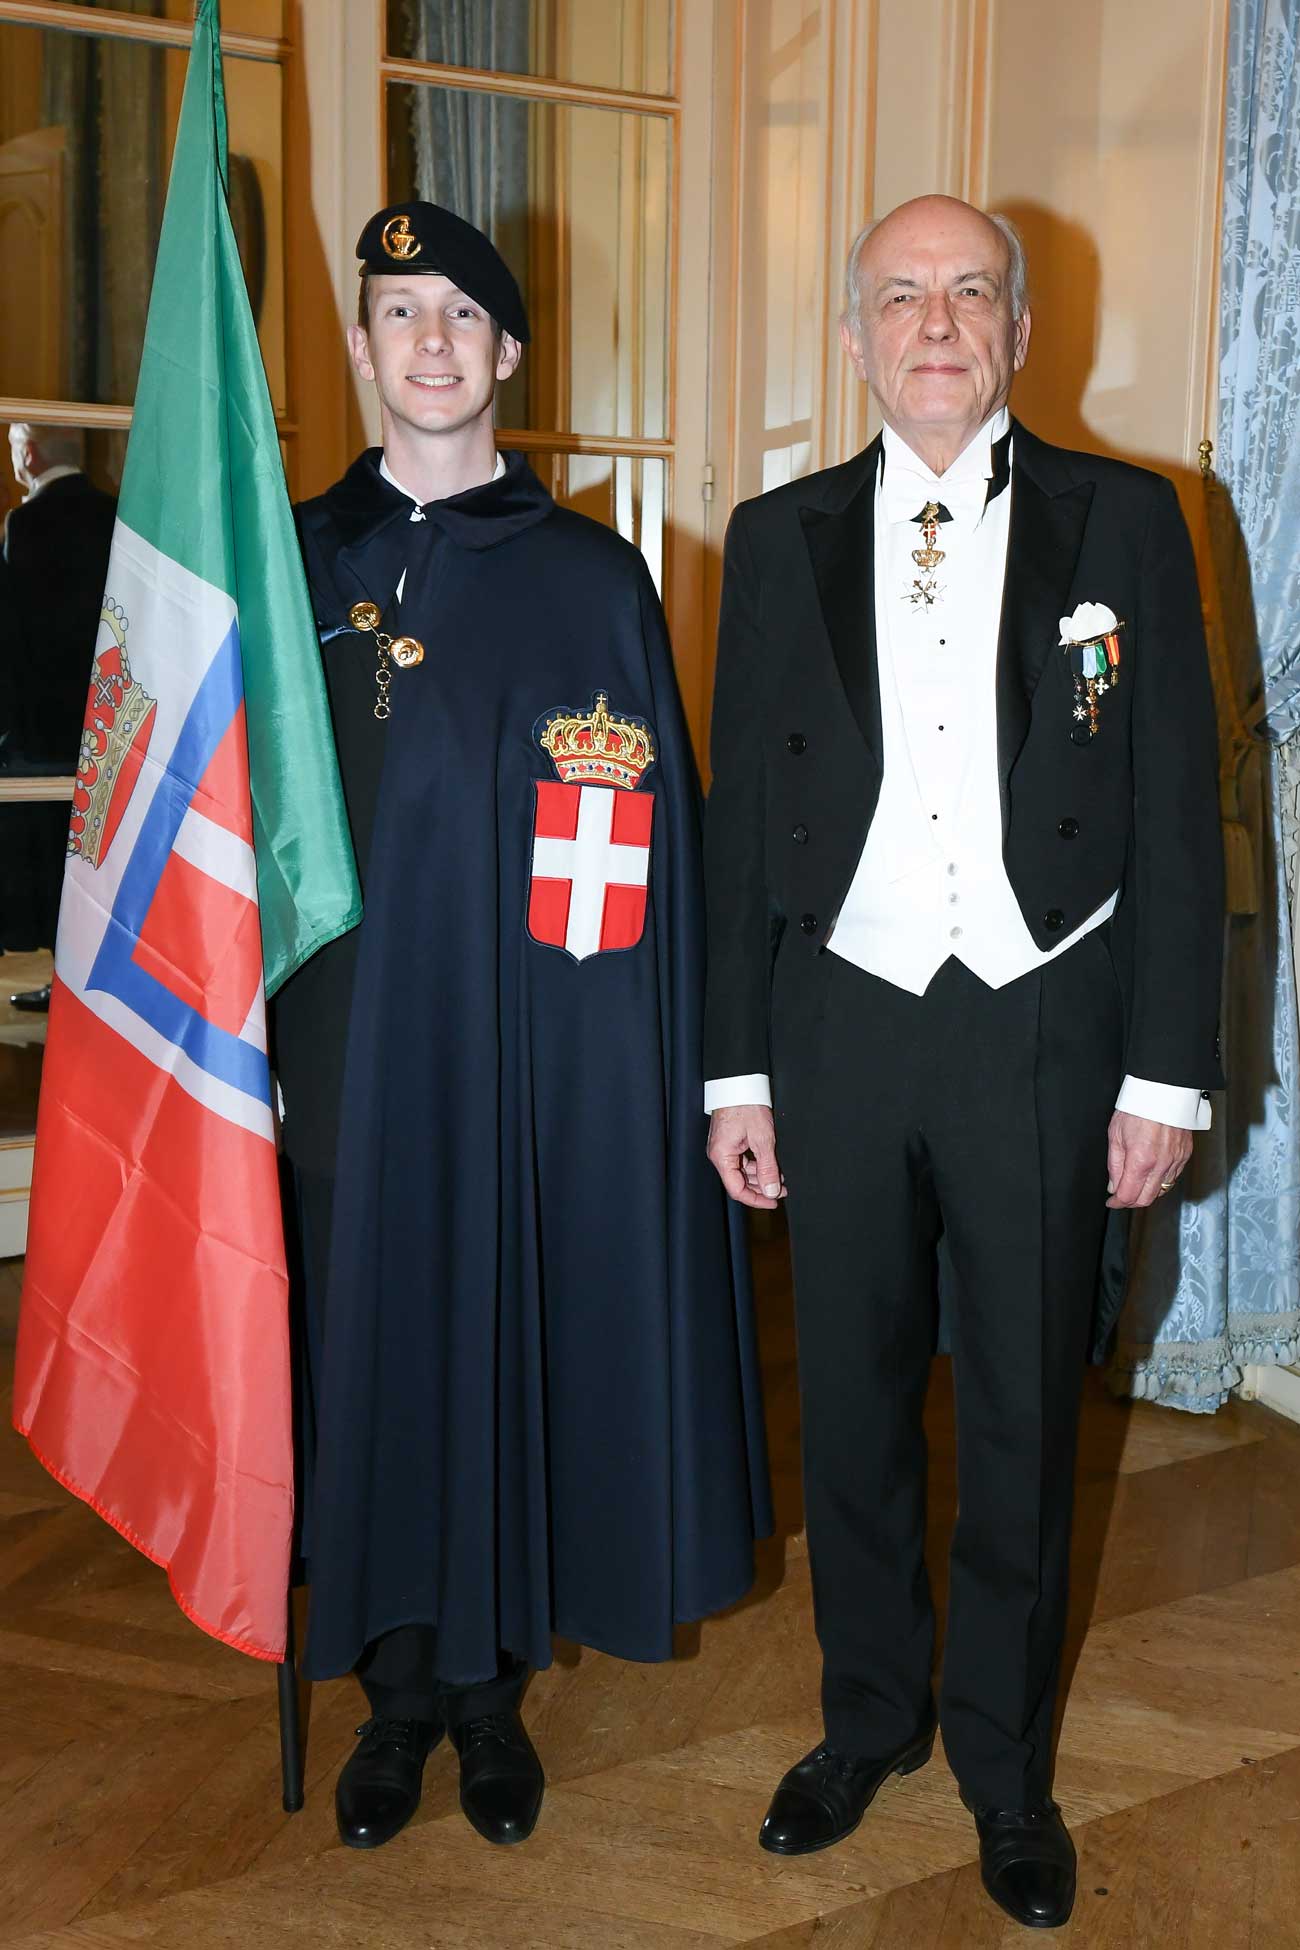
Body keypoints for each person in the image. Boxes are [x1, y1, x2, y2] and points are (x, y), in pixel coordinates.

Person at [702, 195, 1222, 1931]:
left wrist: (1167, 1075)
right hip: (838, 1026)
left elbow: (1180, 817)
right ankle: (867, 1720)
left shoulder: (1129, 523)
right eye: (902, 297)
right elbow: (732, 835)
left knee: (1019, 1413)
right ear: (854, 339)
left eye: (969, 293)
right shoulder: (770, 539)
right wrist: (732, 1072)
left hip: (1041, 1027)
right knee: (845, 1409)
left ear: (1016, 330)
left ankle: (1004, 1765)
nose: (938, 322)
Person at [271, 201, 771, 1855]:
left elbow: (661, 861)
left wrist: (670, 1075)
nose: (430, 344)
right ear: (360, 346)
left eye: (461, 320)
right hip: (342, 1059)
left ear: (506, 357)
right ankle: (389, 1694)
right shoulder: (288, 568)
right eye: (399, 313)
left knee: (504, 1341)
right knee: (368, 1347)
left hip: (534, 1068)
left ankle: (485, 1699)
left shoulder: (591, 580)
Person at [1, 425, 116, 998]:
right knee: (100, 846)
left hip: (42, 721)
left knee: (50, 854)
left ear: (30, 451)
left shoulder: (26, 523)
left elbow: (16, 634)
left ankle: (63, 977)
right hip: (107, 710)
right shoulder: (115, 512)